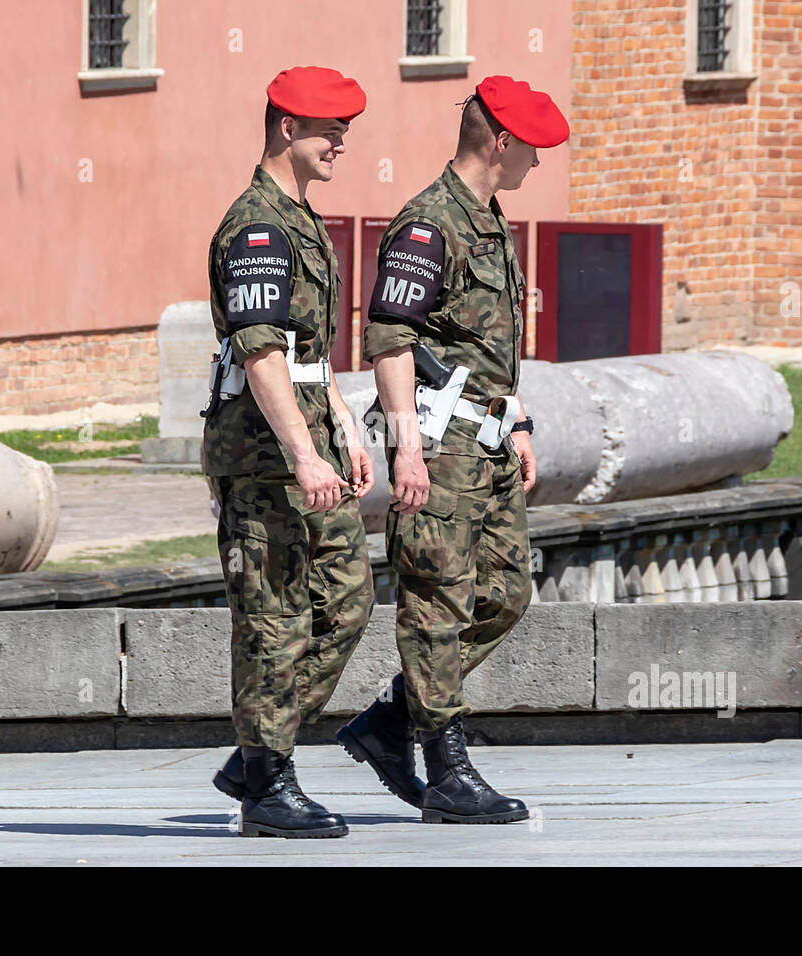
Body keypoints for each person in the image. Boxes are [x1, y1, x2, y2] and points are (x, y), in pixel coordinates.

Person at [338, 75, 569, 824]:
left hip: (490, 441)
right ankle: (446, 771)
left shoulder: (489, 219)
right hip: (440, 447)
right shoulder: (428, 226)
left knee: (505, 592)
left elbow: (483, 344)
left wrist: (521, 418)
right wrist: (405, 448)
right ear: (500, 142)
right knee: (436, 603)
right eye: (531, 149)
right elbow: (391, 340)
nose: (538, 162)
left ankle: (390, 723)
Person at [202, 66, 374, 839]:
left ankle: (254, 753)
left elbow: (309, 354)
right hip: (265, 461)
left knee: (346, 603)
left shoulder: (301, 218)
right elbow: (263, 351)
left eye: (343, 127)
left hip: (313, 447)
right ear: (285, 130)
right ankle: (267, 788)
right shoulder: (257, 228)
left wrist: (346, 422)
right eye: (328, 127)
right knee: (271, 620)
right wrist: (305, 454)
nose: (342, 140)